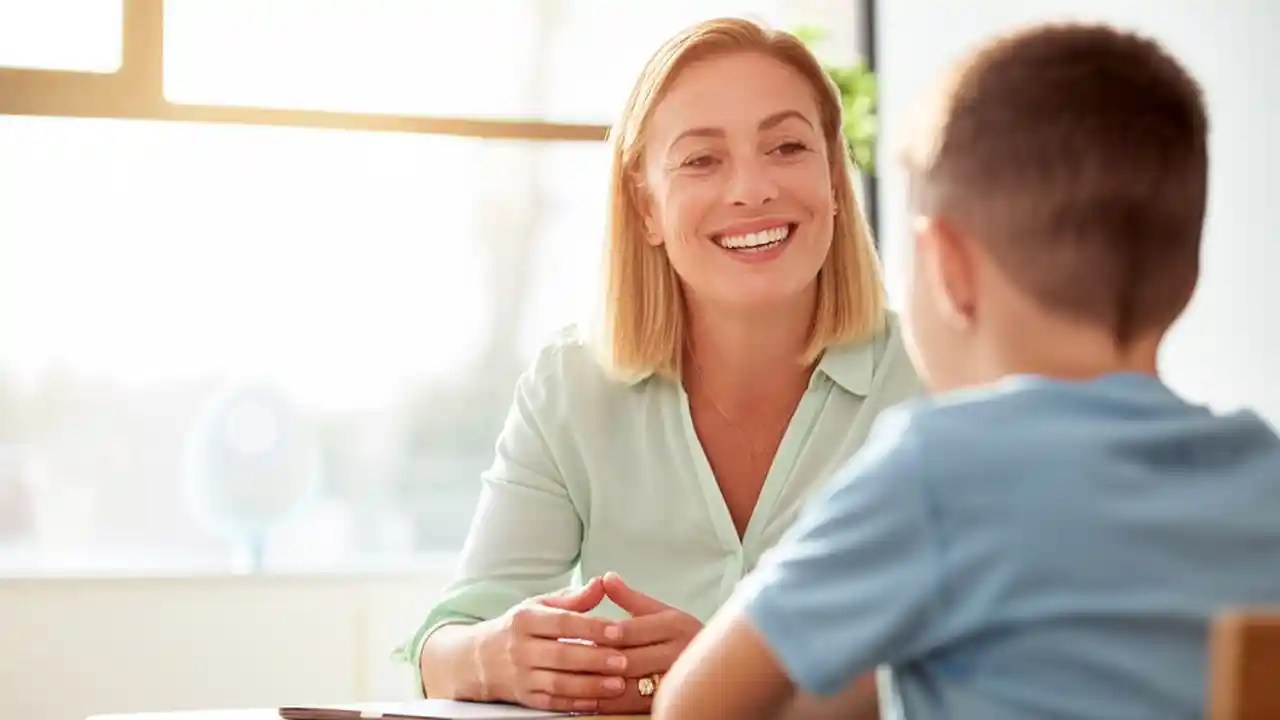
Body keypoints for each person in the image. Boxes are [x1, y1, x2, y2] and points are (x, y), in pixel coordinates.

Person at [654, 21, 1280, 720]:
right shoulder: (1263, 476)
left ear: (949, 268)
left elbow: (695, 707)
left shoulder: (935, 470)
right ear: (1186, 278)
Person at [392, 16, 920, 717]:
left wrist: (725, 681)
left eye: (788, 146)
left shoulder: (934, 379)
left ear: (832, 174)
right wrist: (501, 654)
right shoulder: (572, 383)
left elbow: (998, 655)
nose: (751, 188)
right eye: (702, 160)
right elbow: (444, 646)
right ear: (646, 205)